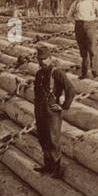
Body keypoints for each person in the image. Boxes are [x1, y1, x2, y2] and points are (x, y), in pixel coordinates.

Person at [32, 44, 76, 178]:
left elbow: (71, 89)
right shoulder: (39, 73)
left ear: (50, 58)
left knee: (53, 139)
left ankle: (57, 169)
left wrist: (63, 106)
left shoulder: (57, 72)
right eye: (40, 59)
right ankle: (48, 166)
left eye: (44, 59)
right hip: (40, 110)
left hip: (52, 111)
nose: (42, 62)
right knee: (42, 138)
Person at [67, 0, 98, 79]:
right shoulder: (76, 3)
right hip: (79, 27)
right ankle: (84, 73)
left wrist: (94, 20)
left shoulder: (93, 3)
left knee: (92, 49)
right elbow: (69, 16)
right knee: (83, 51)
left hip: (90, 26)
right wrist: (76, 23)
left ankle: (95, 73)